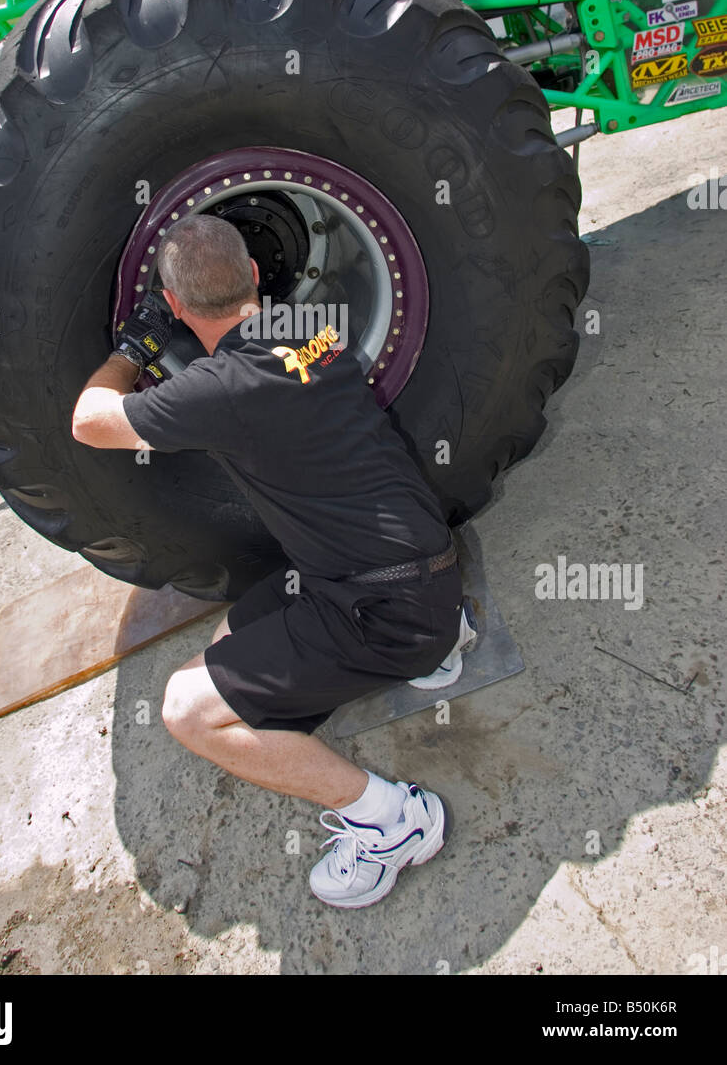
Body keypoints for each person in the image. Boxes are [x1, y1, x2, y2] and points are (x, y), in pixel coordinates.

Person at [72, 214, 475, 908]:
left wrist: (134, 349)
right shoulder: (313, 324)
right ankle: (441, 644)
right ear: (256, 276)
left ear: (173, 305)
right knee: (227, 646)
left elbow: (90, 419)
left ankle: (392, 822)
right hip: (411, 564)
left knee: (187, 713)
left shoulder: (217, 393)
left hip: (384, 608)